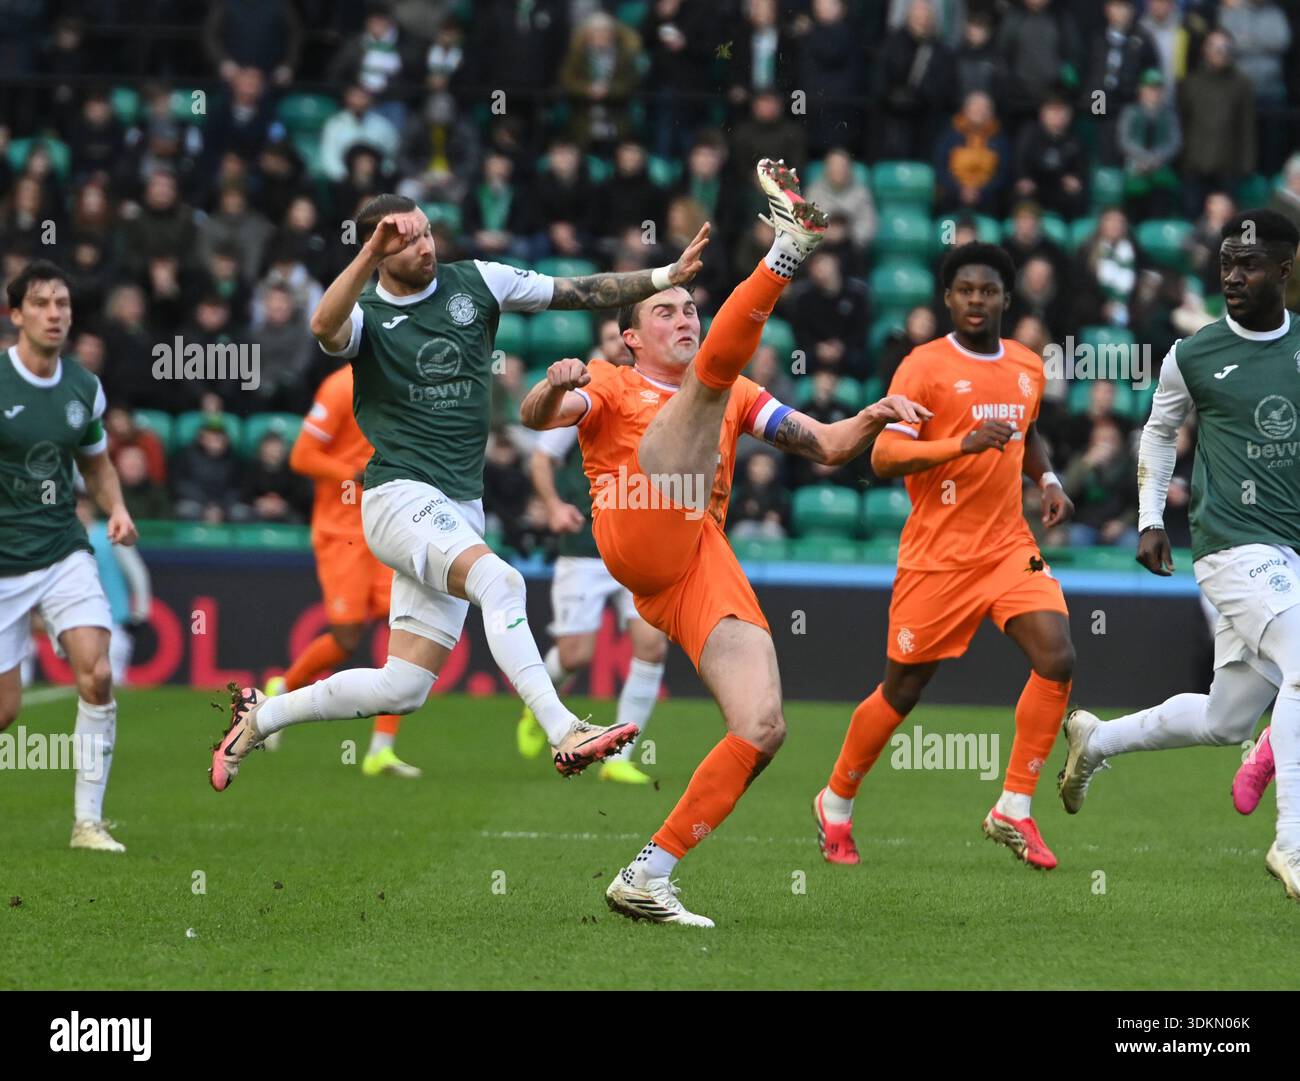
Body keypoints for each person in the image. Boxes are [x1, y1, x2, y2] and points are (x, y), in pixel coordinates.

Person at [520, 160, 926, 925]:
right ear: (630, 336)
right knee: (711, 385)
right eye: (665, 311)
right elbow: (541, 415)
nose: (682, 317)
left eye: (689, 308)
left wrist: (873, 415)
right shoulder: (611, 383)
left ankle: (649, 872)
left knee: (763, 725)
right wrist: (549, 382)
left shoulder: (732, 388)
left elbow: (828, 447)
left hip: (695, 556)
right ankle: (787, 252)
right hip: (638, 518)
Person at [209, 194, 709, 790]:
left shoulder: (478, 281)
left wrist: (662, 276)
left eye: (426, 234)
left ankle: (261, 716)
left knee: (404, 686)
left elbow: (575, 290)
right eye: (408, 240)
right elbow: (322, 326)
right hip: (397, 494)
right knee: (502, 582)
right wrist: (369, 254)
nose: (425, 246)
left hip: (457, 506)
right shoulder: (365, 314)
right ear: (377, 252)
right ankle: (564, 730)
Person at [1059, 209, 1300, 902]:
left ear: (1283, 270)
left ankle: (1096, 739)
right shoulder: (1194, 352)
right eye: (1225, 262)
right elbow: (1159, 430)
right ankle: (1291, 843)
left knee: (1228, 719)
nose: (1232, 275)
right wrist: (1148, 517)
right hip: (1231, 546)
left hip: (1288, 552)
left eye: (1248, 265)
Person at [814, 242, 1076, 872]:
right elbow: (881, 457)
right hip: (937, 557)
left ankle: (1013, 807)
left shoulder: (1024, 365)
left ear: (1007, 298)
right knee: (902, 691)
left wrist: (1048, 480)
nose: (976, 300)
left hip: (1009, 546)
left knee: (1059, 657)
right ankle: (836, 800)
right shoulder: (922, 368)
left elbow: (1028, 430)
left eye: (988, 290)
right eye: (965, 290)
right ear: (948, 298)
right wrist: (959, 443)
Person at [0, 260, 140, 852]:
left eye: (62, 304)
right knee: (6, 712)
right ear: (16, 315)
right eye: (41, 303)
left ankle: (88, 821)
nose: (55, 313)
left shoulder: (83, 386)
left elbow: (96, 461)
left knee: (98, 671)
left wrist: (116, 507)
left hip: (61, 547)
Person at [517, 322, 667, 785]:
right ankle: (538, 703)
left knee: (651, 645)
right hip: (586, 545)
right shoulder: (589, 394)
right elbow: (542, 456)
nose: (617, 349)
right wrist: (554, 506)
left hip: (639, 545)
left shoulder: (658, 391)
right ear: (599, 349)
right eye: (608, 343)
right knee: (576, 654)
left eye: (623, 341)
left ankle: (620, 759)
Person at [264, 362, 419, 778]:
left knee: (403, 627)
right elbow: (301, 456)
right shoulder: (338, 388)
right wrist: (351, 473)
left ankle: (381, 750)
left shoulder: (405, 380)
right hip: (342, 531)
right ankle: (283, 689)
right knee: (346, 635)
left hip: (388, 523)